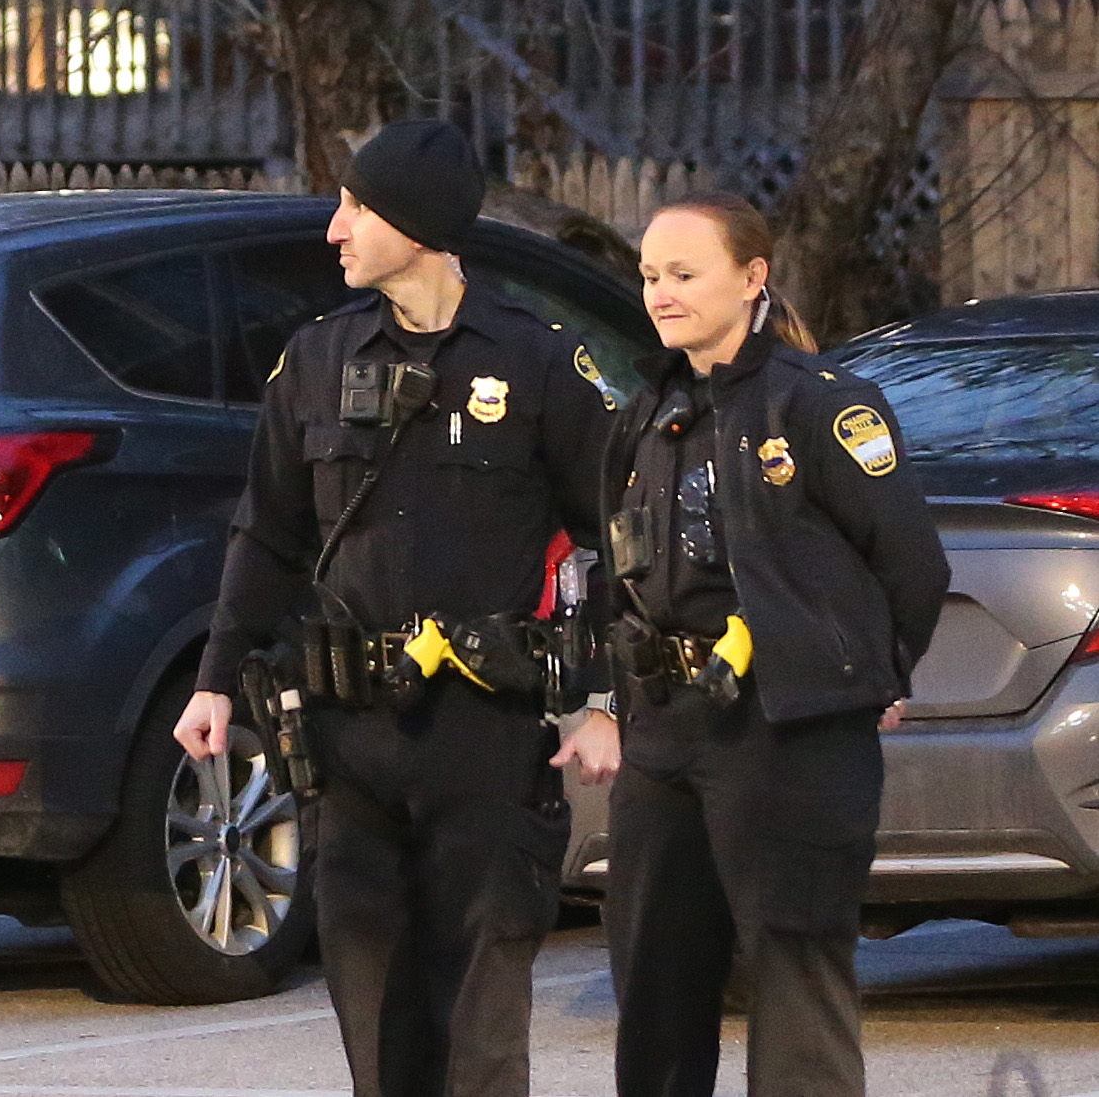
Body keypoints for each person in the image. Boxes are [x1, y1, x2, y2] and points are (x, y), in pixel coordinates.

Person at [176, 118, 620, 1097]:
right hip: (346, 739)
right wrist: (215, 680)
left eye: (356, 204)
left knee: (478, 1010)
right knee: (373, 1011)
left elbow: (620, 535)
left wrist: (600, 699)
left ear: (415, 223)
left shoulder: (536, 360)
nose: (335, 226)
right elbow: (268, 533)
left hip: (487, 731)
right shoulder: (316, 361)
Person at [602, 195, 949, 1097]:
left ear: (752, 277)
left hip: (788, 729)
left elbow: (909, 564)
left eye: (683, 273)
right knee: (654, 981)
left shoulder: (822, 404)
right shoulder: (644, 412)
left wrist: (867, 674)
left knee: (792, 975)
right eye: (648, 275)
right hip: (666, 726)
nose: (660, 292)